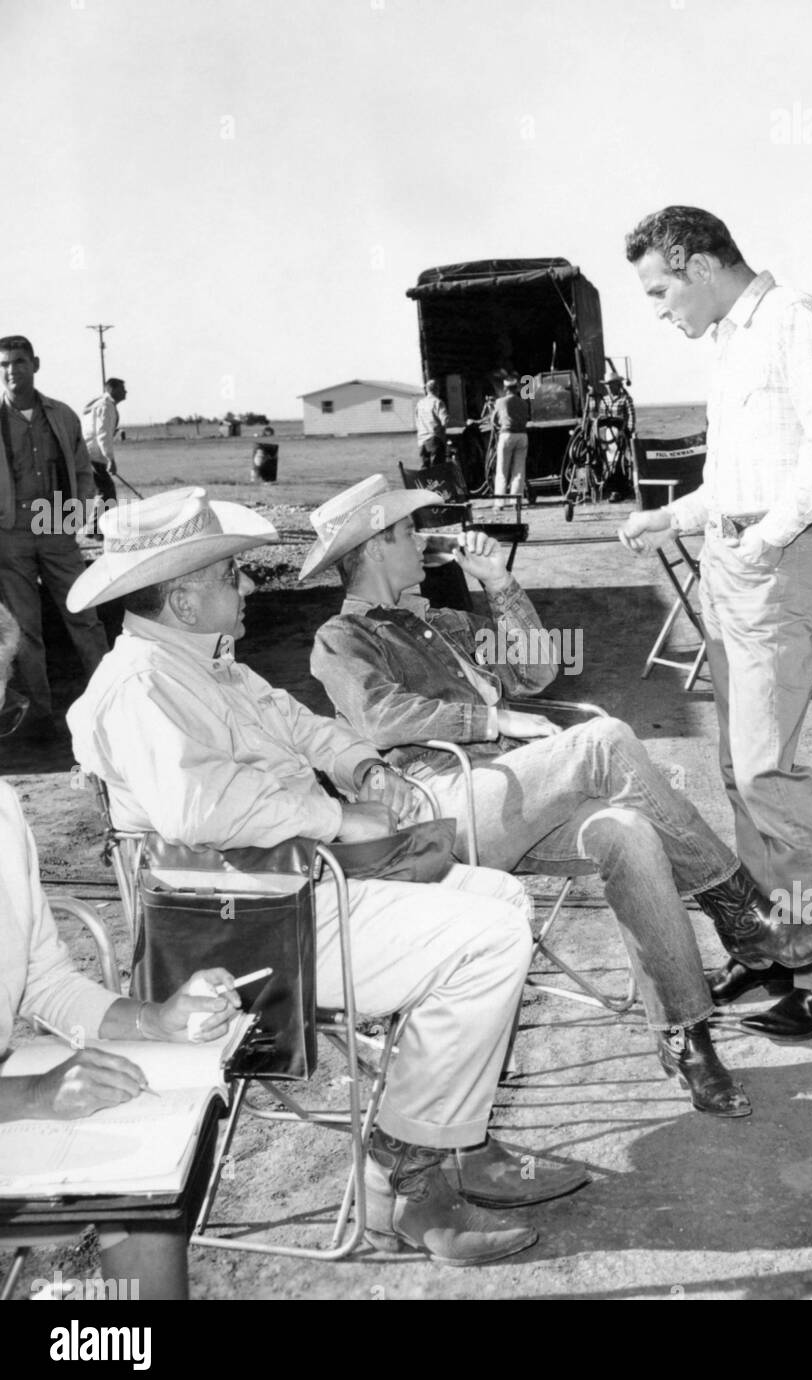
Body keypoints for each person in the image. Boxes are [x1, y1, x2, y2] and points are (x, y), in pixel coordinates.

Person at [65, 486, 586, 1267]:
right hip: (234, 931)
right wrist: (337, 819)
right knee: (485, 939)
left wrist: (365, 766)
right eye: (227, 578)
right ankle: (409, 1175)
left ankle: (449, 1134)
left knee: (500, 898)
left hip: (284, 893)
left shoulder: (201, 666)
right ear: (181, 597)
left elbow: (300, 724)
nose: (241, 588)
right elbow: (202, 809)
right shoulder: (140, 685)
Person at [304, 479, 812, 1118]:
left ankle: (686, 1037)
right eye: (409, 532)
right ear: (375, 547)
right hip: (442, 807)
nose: (424, 541)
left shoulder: (445, 623)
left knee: (629, 831)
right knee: (605, 739)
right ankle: (743, 914)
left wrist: (498, 584)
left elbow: (538, 670)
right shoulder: (342, 637)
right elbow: (377, 717)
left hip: (515, 799)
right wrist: (492, 723)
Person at [618, 205, 812, 1040]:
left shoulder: (792, 317)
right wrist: (675, 517)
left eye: (660, 290)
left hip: (773, 560)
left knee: (769, 772)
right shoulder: (730, 338)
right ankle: (772, 948)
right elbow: (738, 474)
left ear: (693, 262)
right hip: (733, 560)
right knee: (736, 770)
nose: (659, 309)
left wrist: (762, 541)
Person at [0, 600, 242, 1300]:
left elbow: (44, 981)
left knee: (144, 1198)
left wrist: (154, 1020)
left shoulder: (4, 813)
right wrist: (32, 1094)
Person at [0, 335, 110, 743]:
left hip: (56, 525)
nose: (12, 371)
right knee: (25, 631)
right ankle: (42, 717)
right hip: (10, 534)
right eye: (5, 364)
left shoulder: (62, 416)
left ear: (36, 364)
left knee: (86, 614)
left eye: (20, 362)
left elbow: (82, 470)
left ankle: (111, 700)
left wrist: (77, 511)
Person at [81, 377, 127, 510]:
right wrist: (110, 458)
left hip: (88, 454)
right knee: (107, 495)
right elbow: (103, 433)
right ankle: (95, 530)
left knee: (103, 493)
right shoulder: (106, 406)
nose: (126, 392)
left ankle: (96, 528)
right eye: (122, 388)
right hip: (93, 456)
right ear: (112, 389)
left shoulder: (100, 404)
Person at [595, 368, 637, 503]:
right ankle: (611, 486)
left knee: (618, 460)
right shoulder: (604, 400)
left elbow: (631, 417)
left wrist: (628, 431)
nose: (609, 388)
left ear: (617, 385)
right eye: (607, 385)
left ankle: (618, 489)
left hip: (620, 434)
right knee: (608, 460)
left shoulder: (625, 399)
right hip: (607, 434)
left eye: (611, 385)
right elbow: (600, 418)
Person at [413, 378, 455, 497]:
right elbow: (445, 421)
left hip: (421, 441)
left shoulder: (419, 403)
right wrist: (462, 423)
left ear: (426, 390)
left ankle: (425, 497)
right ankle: (438, 497)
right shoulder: (438, 402)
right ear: (438, 389)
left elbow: (417, 421)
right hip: (435, 439)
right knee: (437, 470)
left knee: (424, 470)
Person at [493, 374, 530, 503]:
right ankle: (516, 502)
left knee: (502, 471)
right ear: (516, 388)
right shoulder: (523, 403)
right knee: (519, 471)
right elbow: (527, 418)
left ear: (505, 388)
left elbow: (494, 420)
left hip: (506, 435)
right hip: (522, 436)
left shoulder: (500, 402)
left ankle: (500, 502)